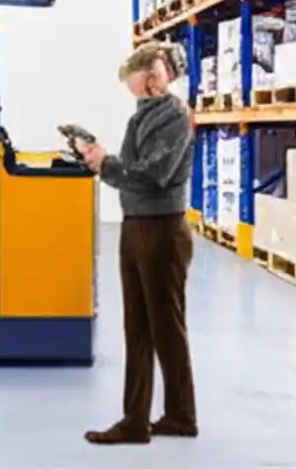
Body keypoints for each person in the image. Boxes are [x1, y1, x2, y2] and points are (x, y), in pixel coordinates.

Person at [78, 41, 197, 445]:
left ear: (157, 74)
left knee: (165, 326)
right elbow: (130, 168)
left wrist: (106, 165)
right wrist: (101, 159)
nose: (145, 90)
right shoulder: (143, 115)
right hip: (137, 226)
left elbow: (153, 174)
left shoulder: (176, 115)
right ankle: (138, 419)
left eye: (149, 81)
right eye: (139, 86)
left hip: (162, 229)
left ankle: (180, 415)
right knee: (138, 328)